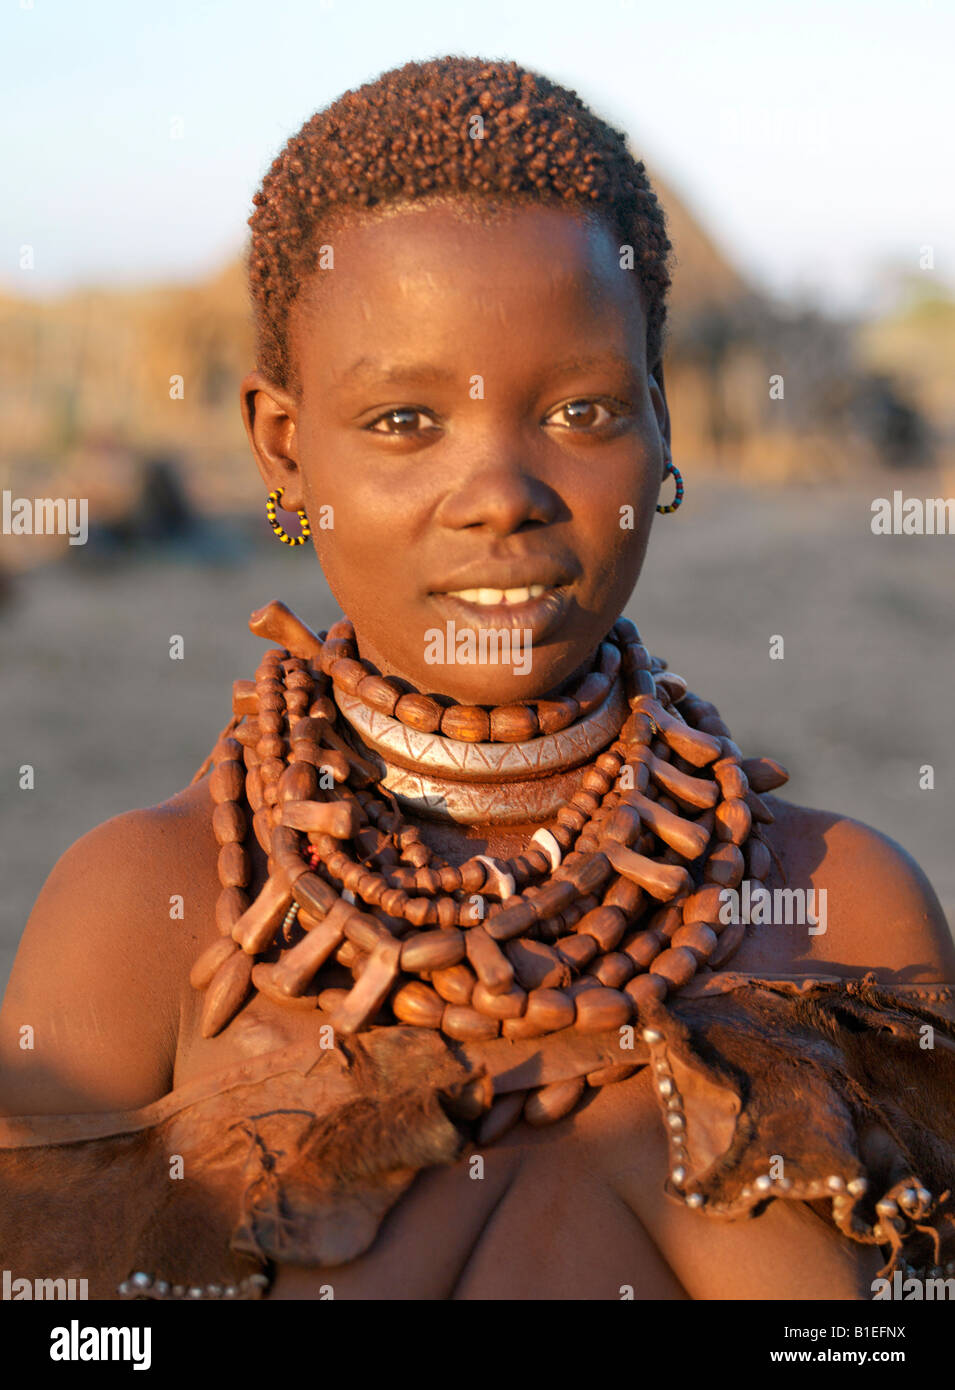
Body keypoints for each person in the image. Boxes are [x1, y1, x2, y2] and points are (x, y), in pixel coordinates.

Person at [1, 56, 953, 1302]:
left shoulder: (844, 909)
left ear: (663, 428)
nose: (503, 493)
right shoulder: (135, 920)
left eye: (583, 412)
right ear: (284, 453)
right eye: (403, 422)